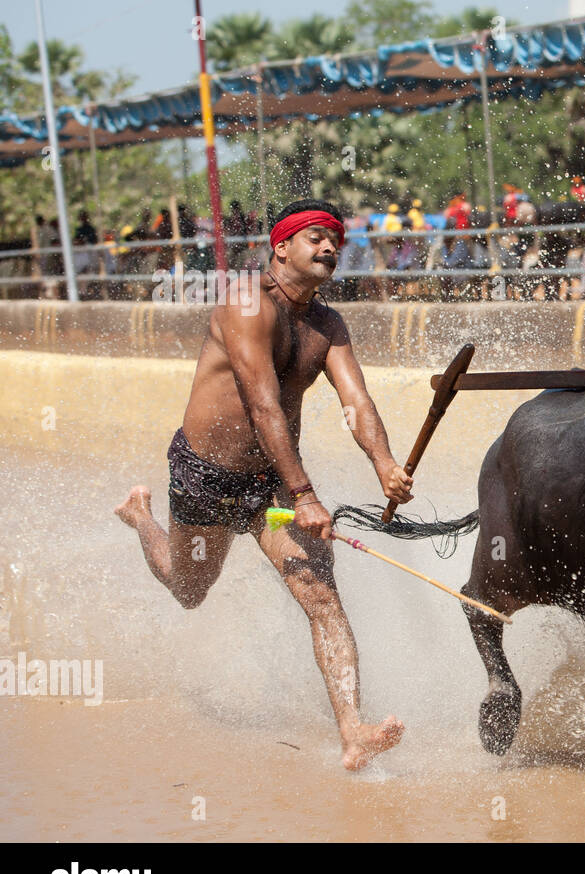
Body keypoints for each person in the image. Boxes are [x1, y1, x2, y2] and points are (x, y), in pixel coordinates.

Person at [114, 198, 413, 771]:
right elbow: (263, 404)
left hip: (269, 482)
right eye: (316, 239)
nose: (330, 248)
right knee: (187, 588)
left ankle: (353, 732)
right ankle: (140, 516)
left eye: (336, 241)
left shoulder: (328, 325)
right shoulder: (248, 304)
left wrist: (385, 465)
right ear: (281, 248)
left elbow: (357, 400)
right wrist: (305, 495)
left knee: (321, 594)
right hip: (206, 475)